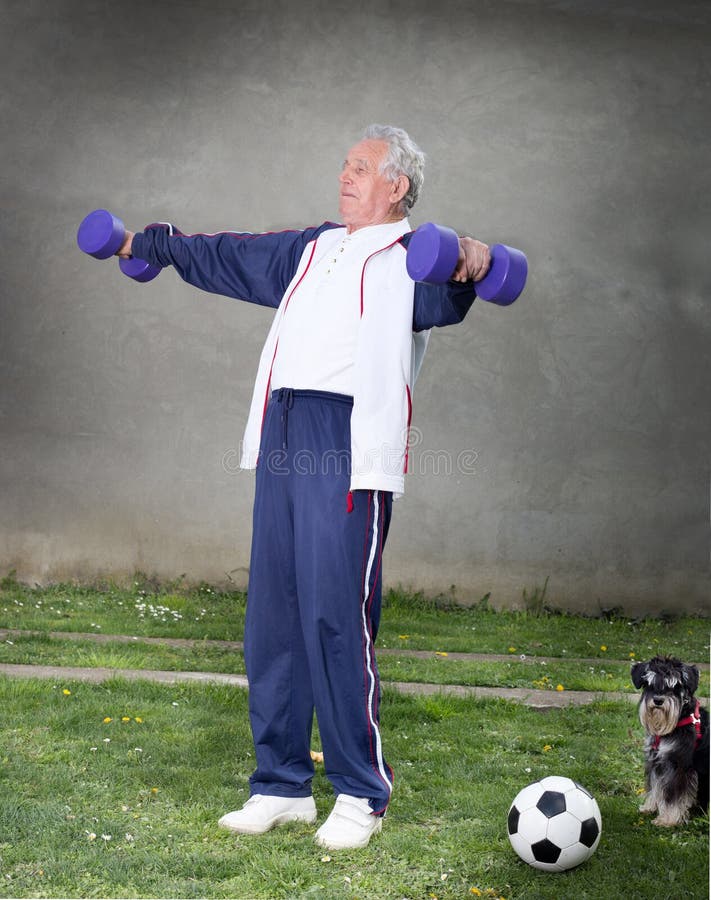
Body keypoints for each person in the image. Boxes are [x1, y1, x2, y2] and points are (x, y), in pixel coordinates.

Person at [117, 124, 490, 849]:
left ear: (397, 187)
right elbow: (226, 256)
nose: (344, 177)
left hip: (346, 443)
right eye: (343, 165)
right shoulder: (313, 247)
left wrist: (473, 258)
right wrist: (146, 246)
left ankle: (359, 791)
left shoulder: (415, 256)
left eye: (360, 168)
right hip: (283, 427)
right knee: (274, 613)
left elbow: (458, 283)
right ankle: (281, 785)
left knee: (332, 615)